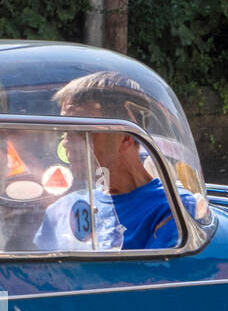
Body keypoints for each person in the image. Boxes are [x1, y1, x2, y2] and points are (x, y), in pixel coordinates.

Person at [51, 71, 179, 249]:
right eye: (65, 129)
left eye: (82, 129)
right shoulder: (60, 210)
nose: (66, 142)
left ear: (125, 136)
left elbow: (158, 274)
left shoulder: (171, 210)